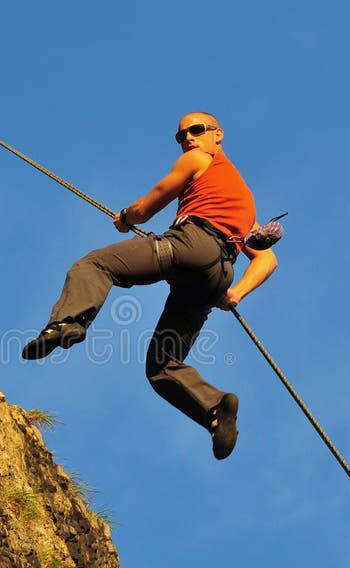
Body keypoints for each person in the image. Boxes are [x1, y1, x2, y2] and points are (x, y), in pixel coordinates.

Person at [21, 112, 278, 459]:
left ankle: (68, 323)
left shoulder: (199, 160)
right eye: (181, 136)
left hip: (192, 243)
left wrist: (127, 217)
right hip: (218, 274)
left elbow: (148, 205)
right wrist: (236, 292)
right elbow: (266, 259)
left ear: (217, 134)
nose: (188, 138)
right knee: (161, 366)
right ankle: (216, 408)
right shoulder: (241, 204)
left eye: (196, 130)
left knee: (95, 264)